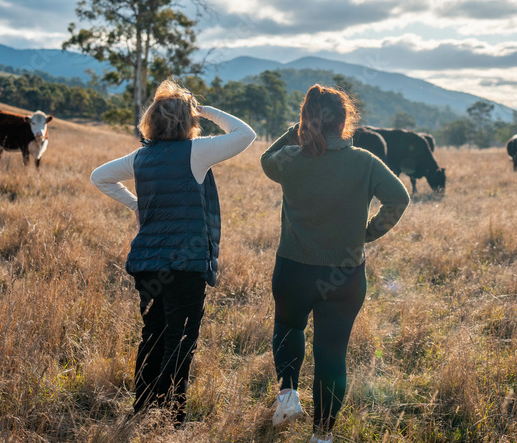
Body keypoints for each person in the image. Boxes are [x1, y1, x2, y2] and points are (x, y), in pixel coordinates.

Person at [90, 79, 256, 424]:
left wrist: (135, 204)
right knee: (180, 341)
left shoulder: (140, 157)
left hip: (147, 264)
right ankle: (172, 417)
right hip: (186, 265)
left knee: (152, 333)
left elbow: (99, 177)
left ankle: (143, 408)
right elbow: (245, 134)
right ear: (189, 121)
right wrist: (207, 111)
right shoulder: (196, 152)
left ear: (151, 120)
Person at [261, 85, 409, 443]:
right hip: (345, 275)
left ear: (305, 121)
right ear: (345, 122)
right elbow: (399, 199)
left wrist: (301, 127)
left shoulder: (290, 160)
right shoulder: (364, 162)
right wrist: (367, 234)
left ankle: (288, 395)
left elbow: (266, 158)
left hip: (293, 269)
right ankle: (322, 436)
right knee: (331, 354)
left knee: (288, 327)